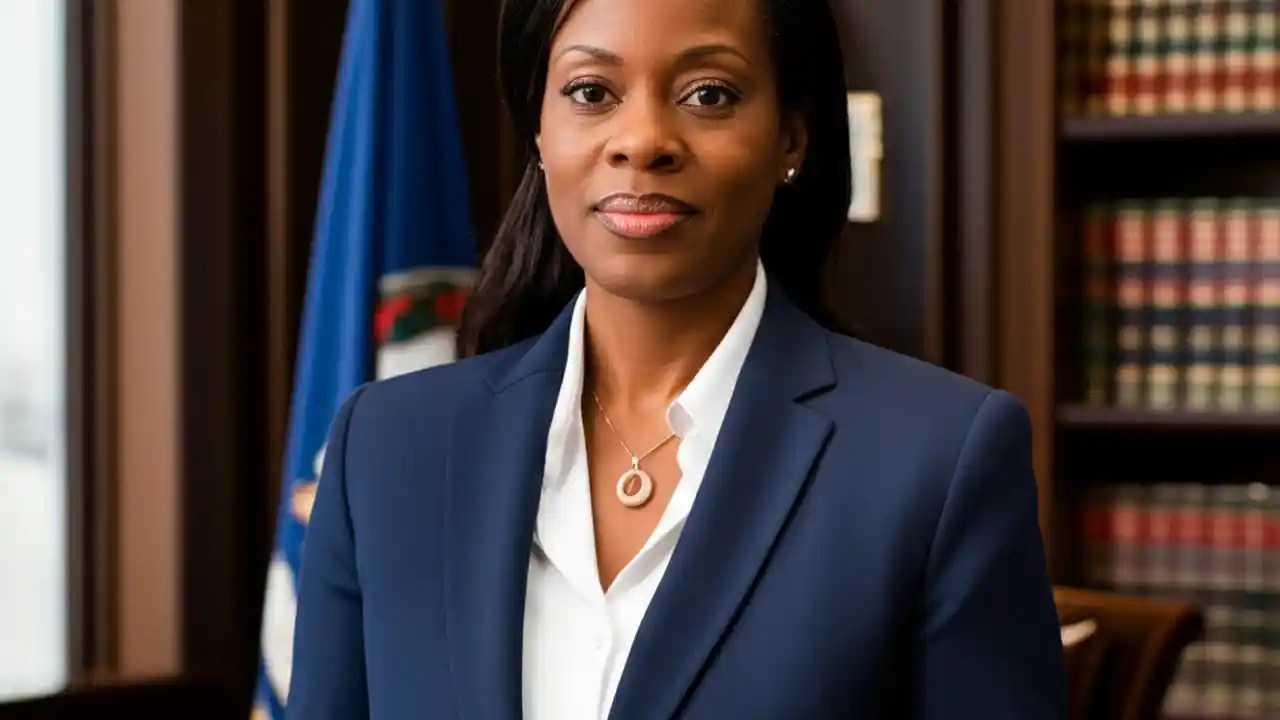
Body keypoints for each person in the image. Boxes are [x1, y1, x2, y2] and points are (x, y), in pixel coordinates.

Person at [287, 0, 1069, 717]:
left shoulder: (937, 460)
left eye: (709, 95)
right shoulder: (387, 448)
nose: (643, 142)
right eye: (592, 92)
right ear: (539, 128)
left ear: (791, 135)